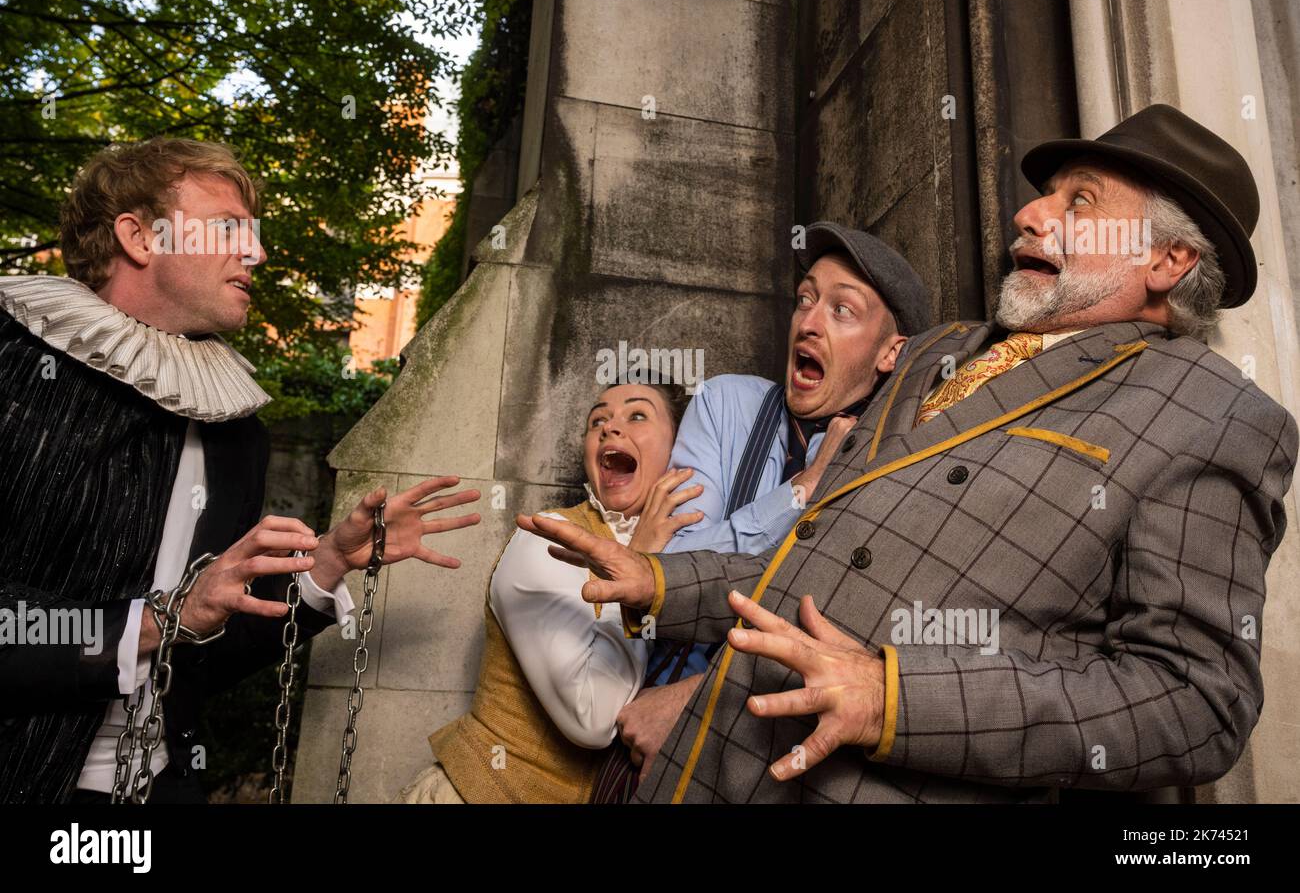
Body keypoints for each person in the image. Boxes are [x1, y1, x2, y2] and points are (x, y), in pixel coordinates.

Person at [523, 103, 1298, 803]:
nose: (1029, 214)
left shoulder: (1212, 413)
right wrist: (660, 582)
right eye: (1046, 194)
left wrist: (893, 700)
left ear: (1167, 262)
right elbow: (819, 551)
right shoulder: (940, 353)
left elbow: (1196, 704)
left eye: (1080, 201)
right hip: (710, 765)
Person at [0, 138, 481, 803]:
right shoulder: (16, 378)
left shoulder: (234, 435)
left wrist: (327, 566)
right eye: (229, 228)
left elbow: (202, 653)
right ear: (140, 237)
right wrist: (157, 621)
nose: (255, 253)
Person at [617, 224, 931, 788]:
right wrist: (800, 492)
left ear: (891, 352)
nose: (809, 322)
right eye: (806, 299)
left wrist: (698, 703)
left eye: (842, 310)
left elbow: (867, 632)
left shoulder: (902, 457)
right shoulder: (724, 404)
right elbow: (675, 567)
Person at [400, 378, 693, 803]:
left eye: (637, 415)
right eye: (598, 421)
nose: (610, 428)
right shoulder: (546, 540)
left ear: (679, 451)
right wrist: (639, 562)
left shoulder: (692, 561)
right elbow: (593, 721)